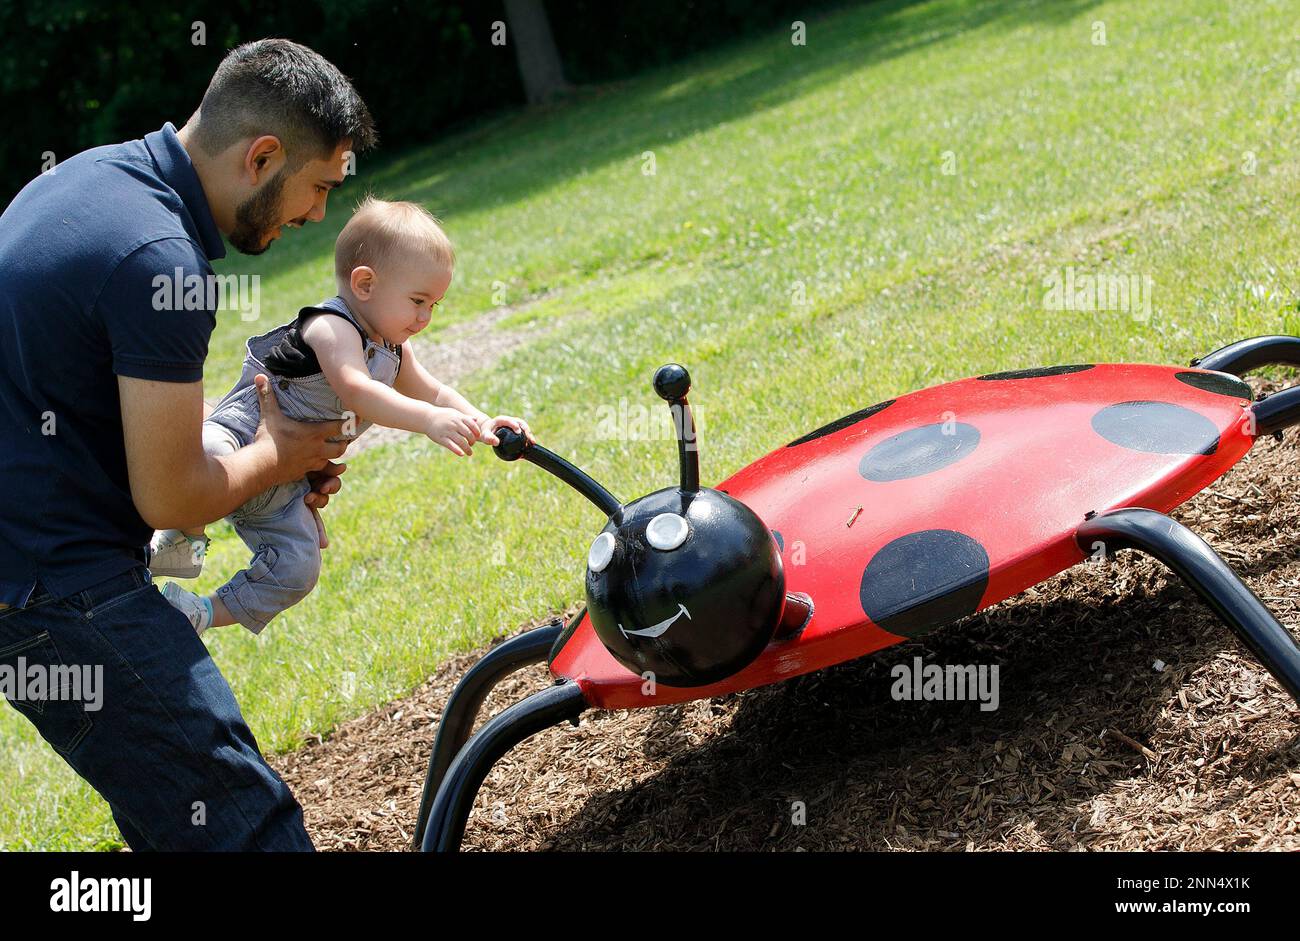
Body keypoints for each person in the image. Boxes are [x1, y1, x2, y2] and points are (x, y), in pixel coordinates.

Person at [0, 38, 375, 850]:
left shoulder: (85, 177)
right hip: (61, 591)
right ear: (263, 156)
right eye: (315, 188)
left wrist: (262, 473)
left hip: (29, 577)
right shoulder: (159, 258)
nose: (315, 216)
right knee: (246, 823)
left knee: (178, 823)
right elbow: (171, 496)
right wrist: (282, 455)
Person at [152, 197, 534, 633]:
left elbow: (435, 389)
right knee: (206, 446)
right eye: (417, 300)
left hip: (287, 476)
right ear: (365, 283)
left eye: (435, 305)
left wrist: (482, 421)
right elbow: (358, 389)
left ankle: (197, 613)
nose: (425, 317)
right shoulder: (330, 327)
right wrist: (428, 421)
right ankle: (184, 538)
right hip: (243, 433)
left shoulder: (392, 347)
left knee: (300, 566)